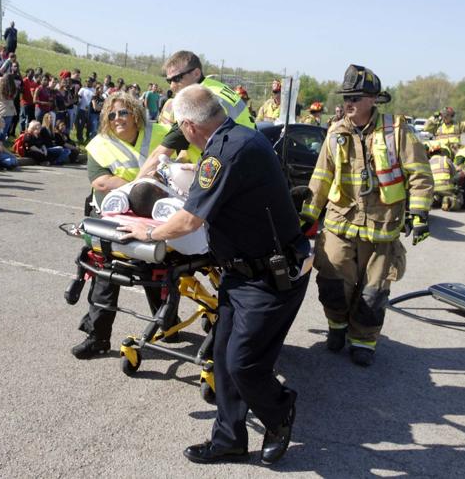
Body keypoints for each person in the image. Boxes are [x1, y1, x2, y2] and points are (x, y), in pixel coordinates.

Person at [118, 85, 311, 466]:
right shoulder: (237, 139)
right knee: (222, 360)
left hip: (271, 278)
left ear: (189, 126)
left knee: (243, 363)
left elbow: (189, 220)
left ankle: (279, 412)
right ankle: (229, 441)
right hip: (242, 273)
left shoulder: (224, 152)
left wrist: (149, 232)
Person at [300, 65, 434, 367]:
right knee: (332, 283)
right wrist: (308, 215)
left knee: (373, 292)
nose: (349, 102)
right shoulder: (335, 132)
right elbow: (320, 177)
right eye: (347, 96)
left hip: (382, 227)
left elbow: (420, 176)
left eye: (356, 97)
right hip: (339, 223)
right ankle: (337, 328)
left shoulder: (397, 132)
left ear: (373, 99)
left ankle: (363, 340)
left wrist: (420, 213)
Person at [71, 91, 172, 359]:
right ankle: (98, 337)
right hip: (114, 219)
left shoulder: (161, 133)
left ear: (136, 114)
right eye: (112, 114)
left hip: (155, 217)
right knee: (105, 275)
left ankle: (166, 324)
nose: (117, 118)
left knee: (160, 271)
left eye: (123, 112)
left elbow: (188, 159)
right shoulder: (100, 144)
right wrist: (140, 185)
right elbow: (100, 181)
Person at [137, 50, 253, 177]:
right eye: (168, 81)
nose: (172, 86)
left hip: (235, 170)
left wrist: (130, 190)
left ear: (196, 73)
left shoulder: (199, 101)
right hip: (246, 158)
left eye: (176, 79)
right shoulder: (214, 87)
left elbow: (160, 153)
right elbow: (187, 144)